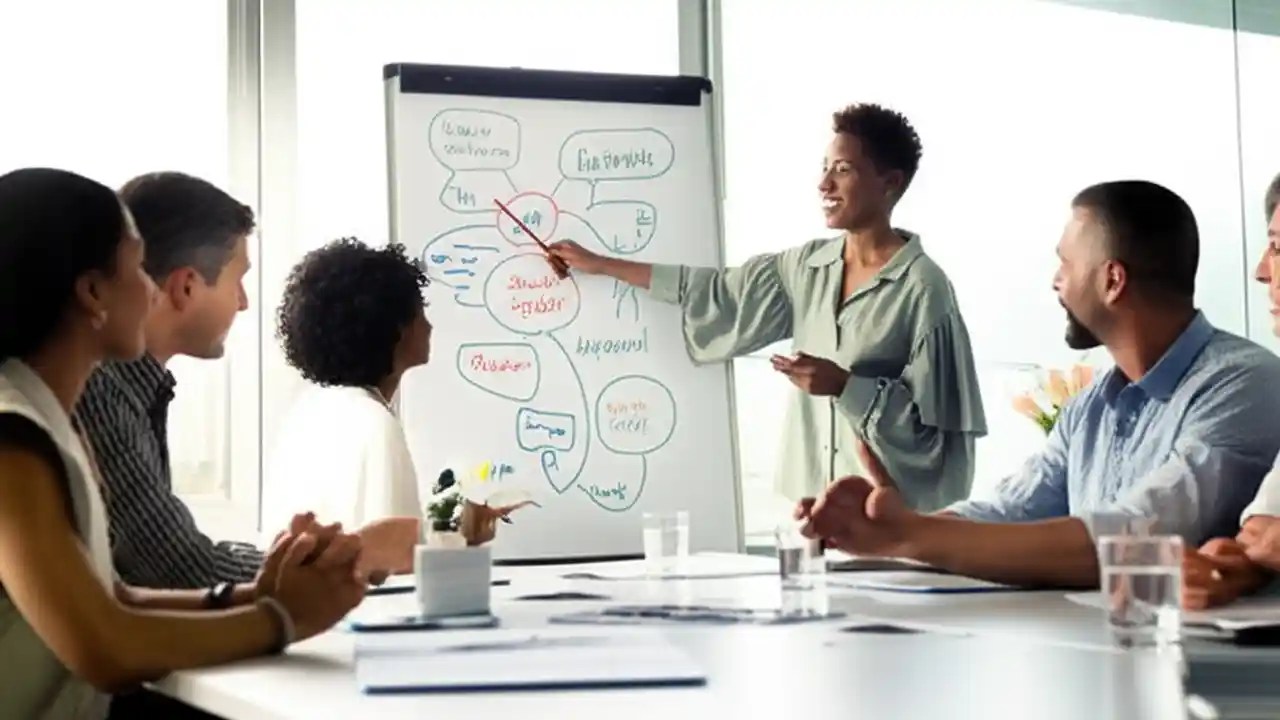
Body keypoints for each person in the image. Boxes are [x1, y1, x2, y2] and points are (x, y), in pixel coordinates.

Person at [0, 167, 365, 719]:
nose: (152, 288)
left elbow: (117, 597)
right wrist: (282, 619)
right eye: (135, 265)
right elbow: (105, 647)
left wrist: (257, 595)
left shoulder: (47, 418)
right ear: (93, 291)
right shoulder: (13, 440)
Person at [797, 179, 1280, 589]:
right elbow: (1010, 510)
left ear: (1113, 281)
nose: (1056, 281)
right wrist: (881, 528)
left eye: (1066, 265)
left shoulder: (1242, 384)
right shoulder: (1091, 407)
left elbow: (1135, 541)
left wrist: (909, 537)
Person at [549, 103, 987, 512]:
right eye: (824, 168)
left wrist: (846, 386)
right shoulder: (806, 267)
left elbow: (938, 442)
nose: (824, 184)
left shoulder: (924, 288)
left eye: (843, 169)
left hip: (884, 523)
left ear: (890, 182)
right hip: (810, 515)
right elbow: (716, 294)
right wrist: (602, 264)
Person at [76, 172, 414, 591]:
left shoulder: (140, 389)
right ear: (186, 286)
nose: (243, 301)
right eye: (239, 279)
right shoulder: (101, 390)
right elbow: (177, 567)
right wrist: (353, 554)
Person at [263, 238, 429, 568]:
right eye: (420, 312)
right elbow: (397, 562)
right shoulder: (373, 423)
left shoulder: (309, 410)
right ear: (396, 328)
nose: (429, 325)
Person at [1181, 172, 1280, 609]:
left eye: (1277, 246)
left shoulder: (1242, 377)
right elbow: (1264, 534)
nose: (1262, 271)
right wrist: (1234, 567)